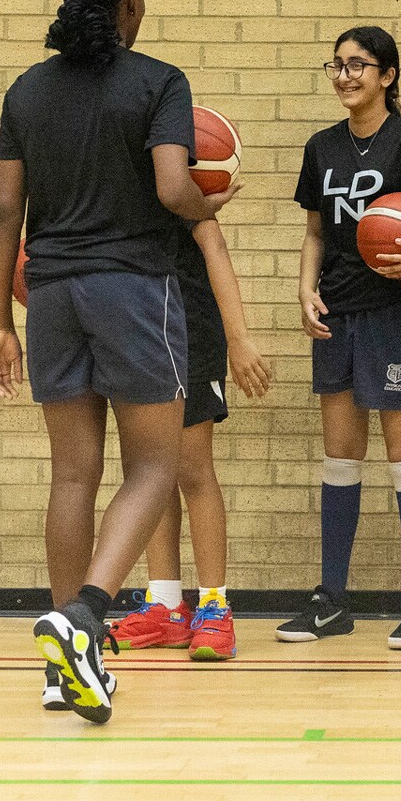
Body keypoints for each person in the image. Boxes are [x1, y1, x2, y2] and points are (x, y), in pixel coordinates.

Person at [0, 0, 235, 722]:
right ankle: (86, 614)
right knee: (157, 465)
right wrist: (208, 204)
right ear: (130, 2)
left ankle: (63, 663)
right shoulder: (159, 81)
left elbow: (4, 213)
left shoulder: (27, 90)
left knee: (72, 475)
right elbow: (171, 185)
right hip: (133, 288)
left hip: (50, 294)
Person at [278, 26, 401, 649]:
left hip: (399, 313)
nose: (344, 76)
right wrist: (306, 289)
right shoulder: (321, 147)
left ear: (387, 75)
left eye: (357, 65)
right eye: (336, 65)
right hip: (338, 315)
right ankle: (332, 599)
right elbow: (315, 231)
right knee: (340, 459)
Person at [108, 212, 272, 661]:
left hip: (191, 332)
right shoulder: (122, 183)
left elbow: (214, 246)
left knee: (193, 469)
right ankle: (164, 605)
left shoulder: (179, 181)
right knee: (149, 471)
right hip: (139, 331)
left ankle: (215, 605)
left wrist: (238, 339)